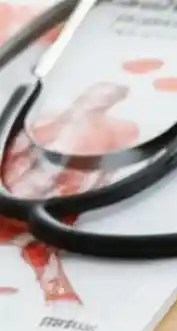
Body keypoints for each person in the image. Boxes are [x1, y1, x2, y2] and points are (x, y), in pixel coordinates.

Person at [0, 82, 139, 304]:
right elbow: (20, 146)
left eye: (107, 97)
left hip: (63, 192)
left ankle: (59, 294)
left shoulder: (120, 129)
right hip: (21, 181)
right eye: (96, 94)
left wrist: (89, 193)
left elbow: (107, 168)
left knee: (40, 244)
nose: (98, 100)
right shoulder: (46, 119)